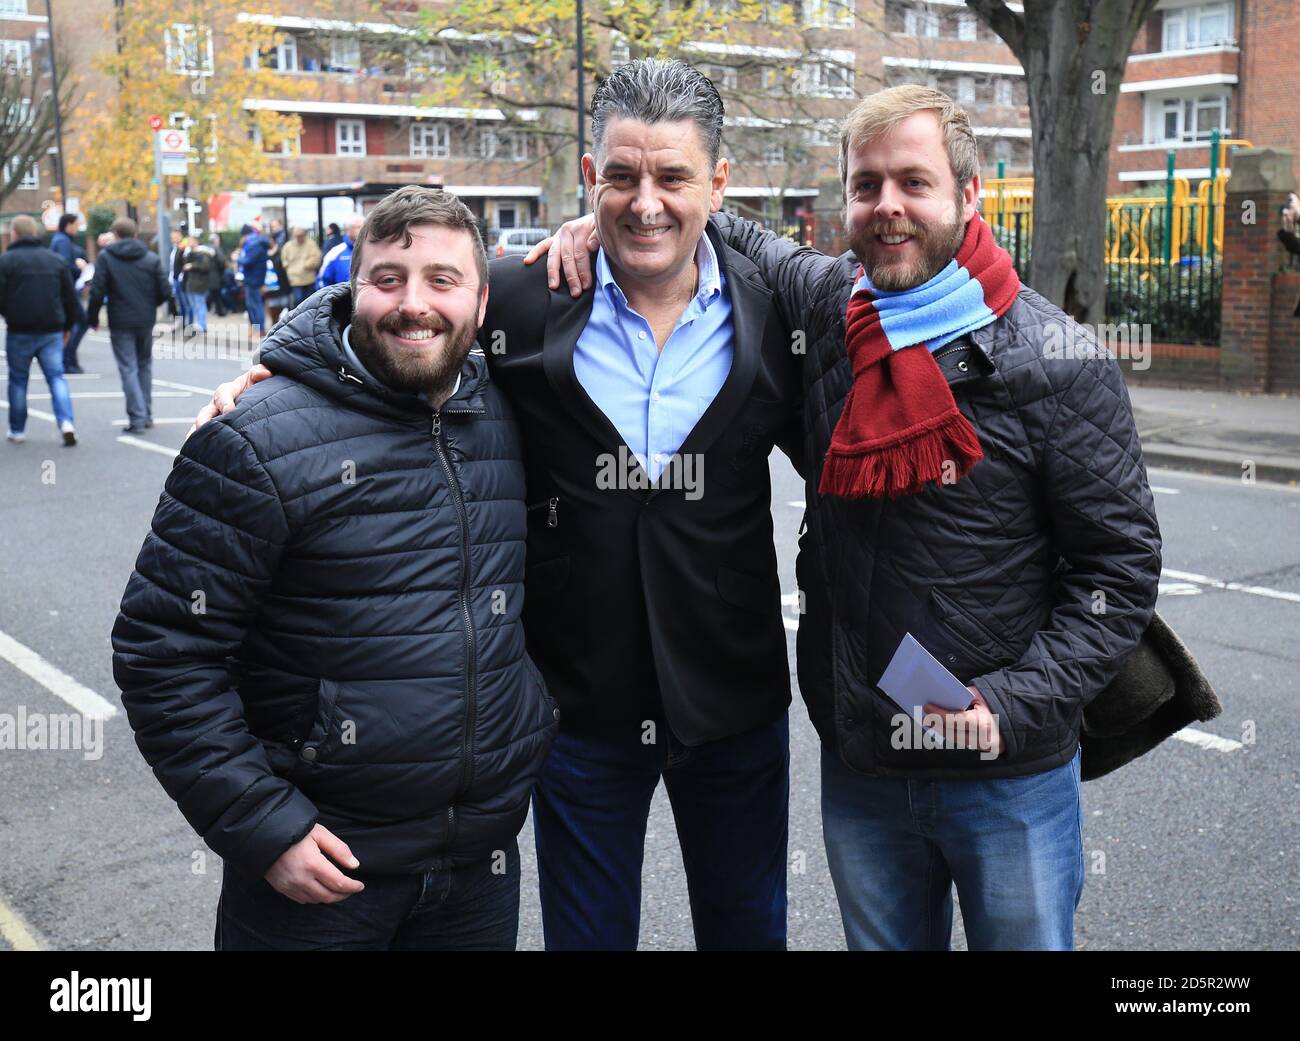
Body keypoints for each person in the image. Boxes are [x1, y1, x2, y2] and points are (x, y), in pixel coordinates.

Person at [198, 59, 804, 952]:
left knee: (750, 932)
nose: (646, 203)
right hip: (576, 705)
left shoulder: (776, 311)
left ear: (717, 185)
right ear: (591, 177)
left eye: (674, 177)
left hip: (734, 699)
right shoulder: (523, 298)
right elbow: (402, 312)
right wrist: (282, 371)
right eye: (623, 176)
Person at [679, 86, 1160, 951]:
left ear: (968, 195)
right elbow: (736, 231)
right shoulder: (833, 310)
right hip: (865, 762)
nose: (887, 207)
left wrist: (1008, 705)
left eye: (914, 182)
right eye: (866, 187)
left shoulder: (1058, 363)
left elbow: (1117, 575)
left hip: (1006, 771)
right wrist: (598, 225)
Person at [113, 186, 557, 951]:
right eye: (388, 278)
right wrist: (261, 825)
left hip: (476, 866)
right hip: (319, 877)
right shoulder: (253, 436)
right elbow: (163, 651)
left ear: (482, 303)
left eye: (442, 281)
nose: (413, 303)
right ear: (353, 287)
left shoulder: (507, 412)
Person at [87, 217, 171, 435]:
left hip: (120, 319)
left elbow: (97, 291)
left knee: (128, 367)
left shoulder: (106, 257)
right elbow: (165, 291)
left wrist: (93, 318)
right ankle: (147, 413)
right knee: (144, 365)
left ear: (115, 235)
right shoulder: (151, 258)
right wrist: (151, 305)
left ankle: (137, 416)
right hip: (145, 319)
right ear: (135, 235)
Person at [1, 215, 80, 446]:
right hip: (51, 329)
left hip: (19, 329)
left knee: (18, 380)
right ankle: (66, 422)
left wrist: (10, 314)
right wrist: (67, 327)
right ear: (35, 233)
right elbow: (70, 299)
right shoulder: (55, 261)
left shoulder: (6, 261)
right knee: (56, 377)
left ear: (15, 233)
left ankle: (17, 430)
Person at [49, 213, 90, 373]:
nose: (78, 228)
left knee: (74, 324)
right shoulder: (63, 241)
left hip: (63, 291)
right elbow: (64, 266)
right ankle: (68, 359)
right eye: (76, 224)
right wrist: (79, 268)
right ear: (68, 225)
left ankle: (68, 359)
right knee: (80, 323)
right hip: (66, 291)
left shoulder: (59, 240)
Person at [237, 223, 271, 337]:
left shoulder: (254, 244)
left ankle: (260, 329)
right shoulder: (256, 243)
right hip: (254, 278)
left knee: (255, 305)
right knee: (253, 305)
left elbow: (248, 261)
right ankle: (257, 329)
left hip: (253, 279)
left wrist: (238, 258)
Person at [316, 215, 363, 289]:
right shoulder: (335, 252)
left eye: (365, 225)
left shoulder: (375, 251)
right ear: (348, 229)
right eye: (358, 226)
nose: (363, 229)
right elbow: (322, 282)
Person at [180, 235, 215, 334]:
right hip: (191, 283)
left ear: (196, 241)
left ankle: (202, 325)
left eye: (190, 241)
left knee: (200, 304)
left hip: (200, 283)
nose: (189, 243)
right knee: (194, 306)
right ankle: (198, 324)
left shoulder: (203, 253)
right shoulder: (190, 253)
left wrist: (192, 266)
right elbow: (182, 264)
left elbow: (205, 267)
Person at [280, 225, 322, 306]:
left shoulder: (311, 244)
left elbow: (316, 257)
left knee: (309, 301)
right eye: (297, 236)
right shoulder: (288, 246)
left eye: (301, 235)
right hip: (295, 279)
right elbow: (284, 259)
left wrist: (307, 265)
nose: (299, 238)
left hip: (309, 278)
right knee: (298, 300)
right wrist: (288, 268)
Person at [168, 227, 190, 329]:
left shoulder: (184, 248)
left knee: (185, 302)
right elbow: (173, 265)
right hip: (175, 279)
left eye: (176, 237)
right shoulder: (174, 249)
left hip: (182, 280)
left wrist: (181, 276)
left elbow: (185, 263)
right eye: (172, 237)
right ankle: (183, 323)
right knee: (180, 303)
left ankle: (187, 324)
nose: (173, 239)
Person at [207, 233, 230, 316]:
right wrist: (223, 269)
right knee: (217, 294)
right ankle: (220, 311)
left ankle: (218, 310)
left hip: (210, 276)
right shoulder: (216, 249)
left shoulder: (208, 249)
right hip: (216, 275)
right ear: (215, 241)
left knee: (215, 294)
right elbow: (221, 262)